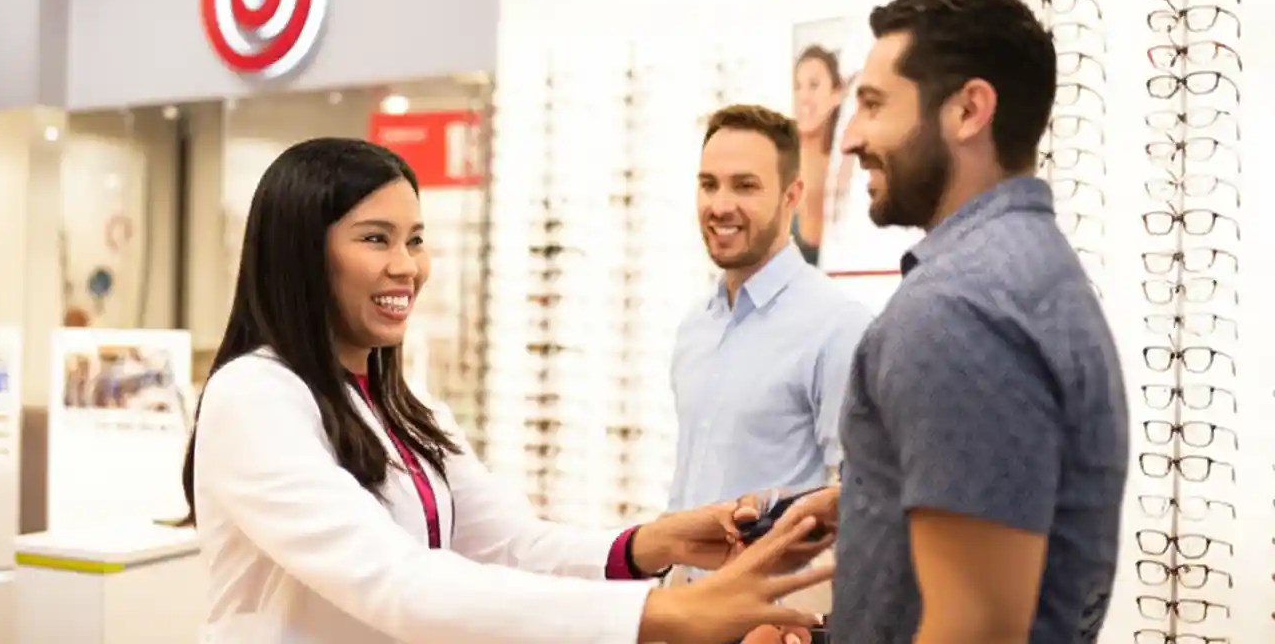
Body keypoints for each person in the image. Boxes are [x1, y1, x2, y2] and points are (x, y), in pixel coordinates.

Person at [180, 137, 833, 644]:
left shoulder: (404, 404)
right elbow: (396, 581)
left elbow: (512, 543)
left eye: (415, 240)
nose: (406, 267)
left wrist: (650, 546)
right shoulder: (255, 397)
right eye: (375, 239)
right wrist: (662, 614)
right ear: (301, 252)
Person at [771, 0, 1131, 643]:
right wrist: (878, 501)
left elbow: (976, 628)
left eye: (874, 105)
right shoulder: (1030, 272)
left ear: (968, 110)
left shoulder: (956, 309)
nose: (850, 137)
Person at [667, 105, 871, 579]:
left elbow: (859, 504)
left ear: (791, 195)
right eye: (708, 184)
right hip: (686, 613)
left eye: (745, 185)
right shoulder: (696, 326)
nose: (720, 205)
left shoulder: (838, 328)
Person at [790, 46, 845, 265]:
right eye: (797, 86)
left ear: (836, 93)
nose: (803, 96)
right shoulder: (779, 160)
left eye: (813, 85)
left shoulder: (845, 168)